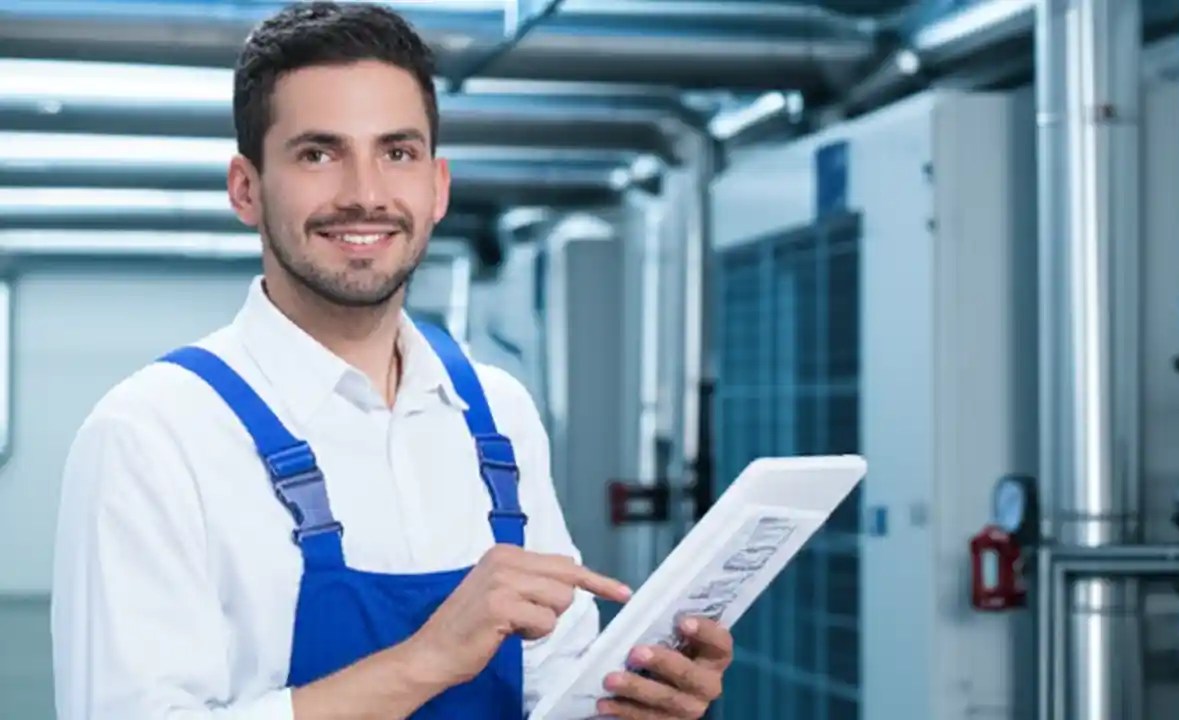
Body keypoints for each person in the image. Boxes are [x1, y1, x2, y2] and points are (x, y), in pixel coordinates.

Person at [49, 2, 733, 718]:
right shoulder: (153, 435)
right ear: (246, 189)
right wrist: (426, 662)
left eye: (396, 153)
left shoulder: (497, 416)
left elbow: (552, 692)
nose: (365, 195)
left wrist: (633, 704)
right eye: (319, 153)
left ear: (437, 187)